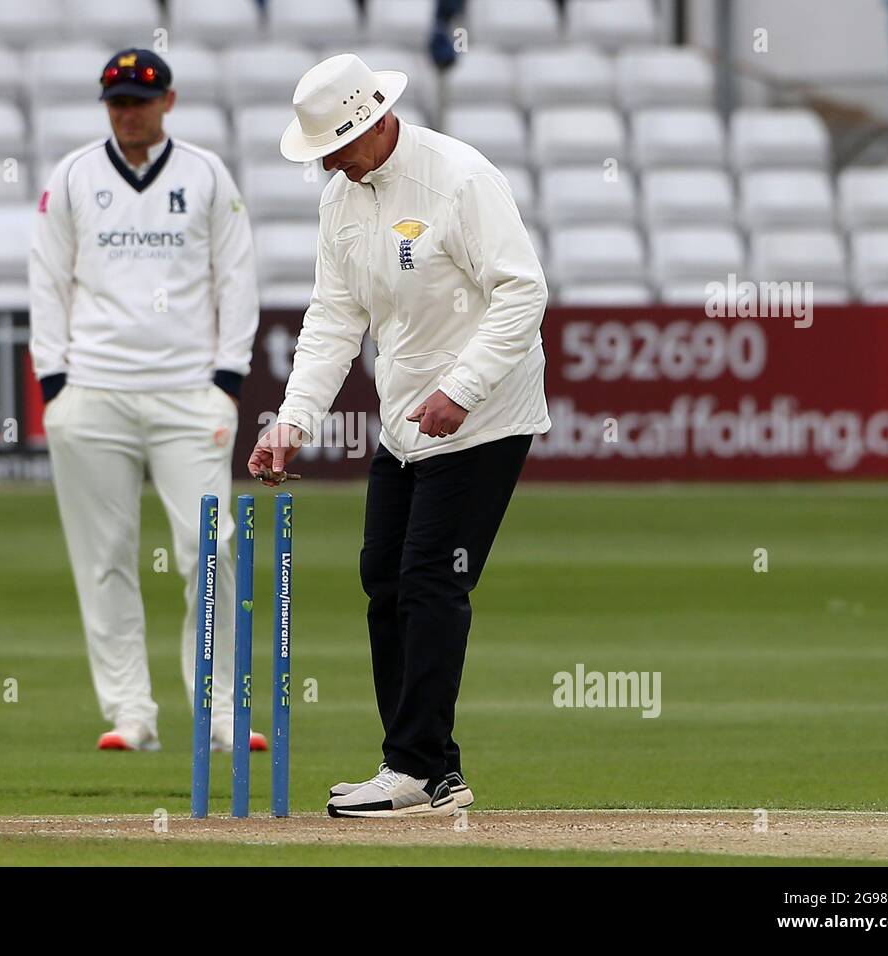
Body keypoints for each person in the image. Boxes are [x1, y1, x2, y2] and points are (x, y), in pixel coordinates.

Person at [249, 54, 550, 816]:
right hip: (407, 417)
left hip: (484, 415)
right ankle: (435, 771)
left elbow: (523, 291)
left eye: (337, 144)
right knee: (382, 574)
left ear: (377, 120)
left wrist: (462, 388)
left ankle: (411, 767)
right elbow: (333, 320)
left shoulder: (459, 177)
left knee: (429, 580)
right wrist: (292, 421)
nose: (328, 162)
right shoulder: (340, 201)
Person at [31, 48, 264, 754]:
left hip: (188, 394)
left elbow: (237, 273)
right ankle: (131, 713)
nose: (128, 112)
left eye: (140, 98)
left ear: (169, 101)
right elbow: (47, 279)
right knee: (104, 555)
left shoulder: (204, 173)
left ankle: (219, 711)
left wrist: (226, 380)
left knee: (210, 547)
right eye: (117, 101)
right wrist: (55, 383)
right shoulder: (73, 175)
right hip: (93, 390)